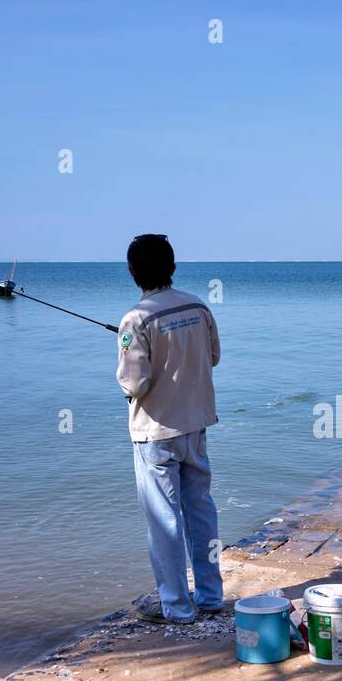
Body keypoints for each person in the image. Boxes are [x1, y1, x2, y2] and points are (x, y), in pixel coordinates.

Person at [116, 234, 224, 623]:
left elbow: (133, 384)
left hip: (155, 433)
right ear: (173, 268)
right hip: (196, 426)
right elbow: (213, 357)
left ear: (132, 273)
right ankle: (211, 596)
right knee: (201, 511)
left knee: (164, 519)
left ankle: (177, 607)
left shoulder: (134, 320)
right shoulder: (198, 306)